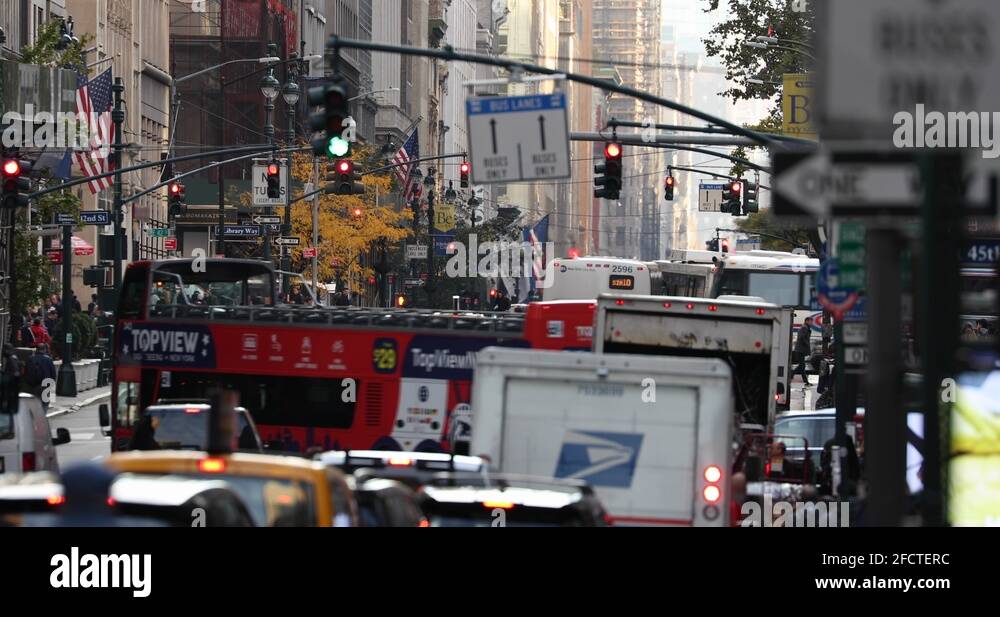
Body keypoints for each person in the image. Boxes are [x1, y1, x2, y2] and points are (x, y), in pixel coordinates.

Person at [23, 344, 57, 412]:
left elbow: (25, 372)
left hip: (32, 385)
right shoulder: (48, 360)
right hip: (45, 385)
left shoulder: (30, 359)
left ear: (36, 350)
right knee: (45, 403)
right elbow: (53, 374)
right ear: (44, 350)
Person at [792, 317, 813, 387]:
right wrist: (807, 344)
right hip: (800, 350)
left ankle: (806, 381)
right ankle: (791, 374)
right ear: (806, 321)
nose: (812, 323)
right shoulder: (804, 328)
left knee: (802, 366)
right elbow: (802, 337)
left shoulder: (806, 328)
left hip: (800, 350)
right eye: (810, 321)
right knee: (802, 366)